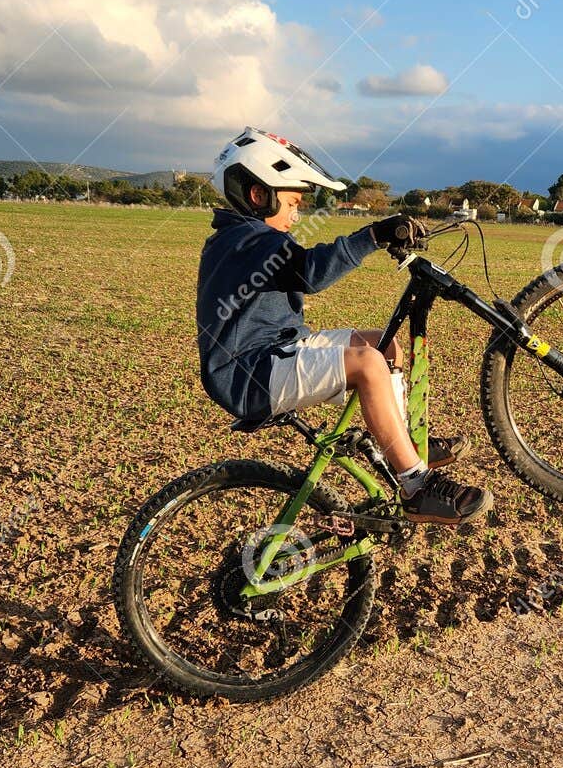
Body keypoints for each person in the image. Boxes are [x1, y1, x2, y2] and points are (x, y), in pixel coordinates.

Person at [196, 128, 493, 524]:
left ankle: (399, 440)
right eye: (293, 202)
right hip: (250, 375)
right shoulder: (248, 239)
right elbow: (311, 272)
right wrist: (372, 235)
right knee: (367, 363)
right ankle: (415, 486)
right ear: (258, 195)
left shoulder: (245, 237)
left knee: (384, 346)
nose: (297, 214)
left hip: (274, 353)